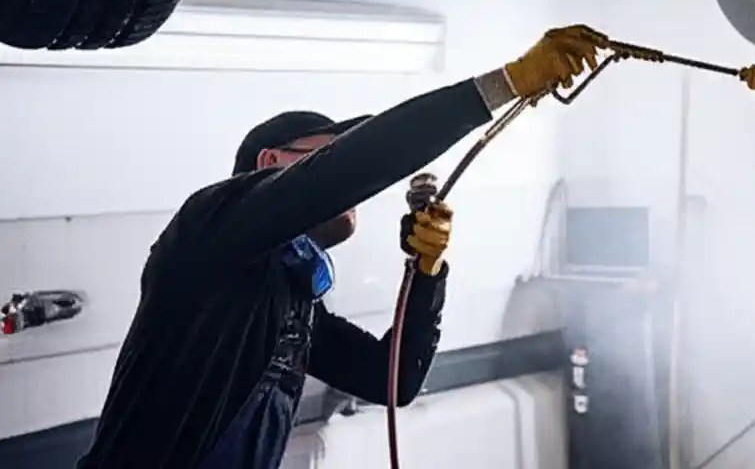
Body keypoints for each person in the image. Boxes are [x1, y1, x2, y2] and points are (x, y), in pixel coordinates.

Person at [78, 26, 608, 469]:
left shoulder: (294, 303)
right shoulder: (208, 226)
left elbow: (393, 379)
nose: (357, 193)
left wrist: (428, 275)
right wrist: (504, 84)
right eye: (327, 153)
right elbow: (345, 172)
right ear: (270, 164)